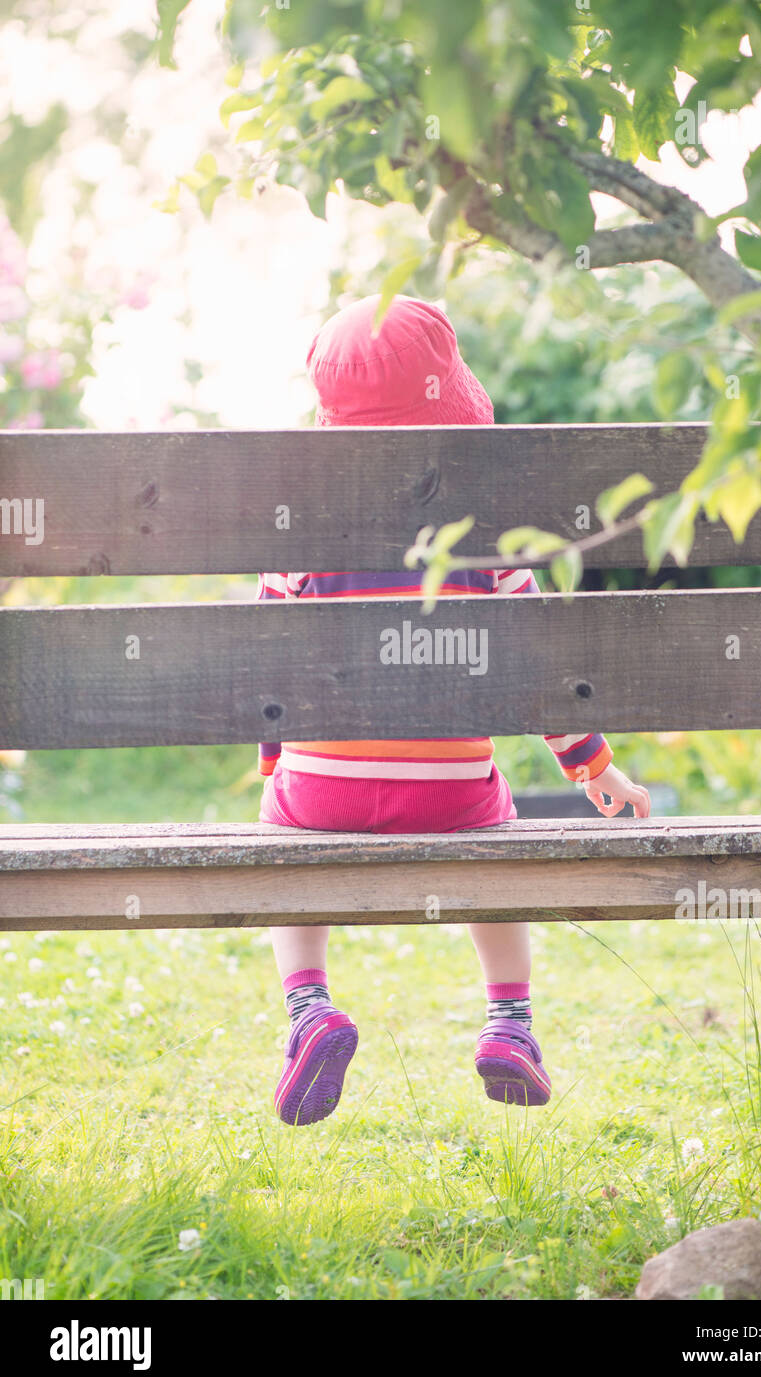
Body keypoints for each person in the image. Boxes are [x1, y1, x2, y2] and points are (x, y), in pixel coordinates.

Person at [257, 294, 651, 1126]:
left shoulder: (299, 527)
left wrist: (275, 760)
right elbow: (538, 660)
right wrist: (591, 765)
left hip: (318, 799)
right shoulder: (486, 533)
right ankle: (509, 1021)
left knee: (276, 825)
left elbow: (265, 665)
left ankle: (308, 1010)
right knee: (493, 826)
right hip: (452, 796)